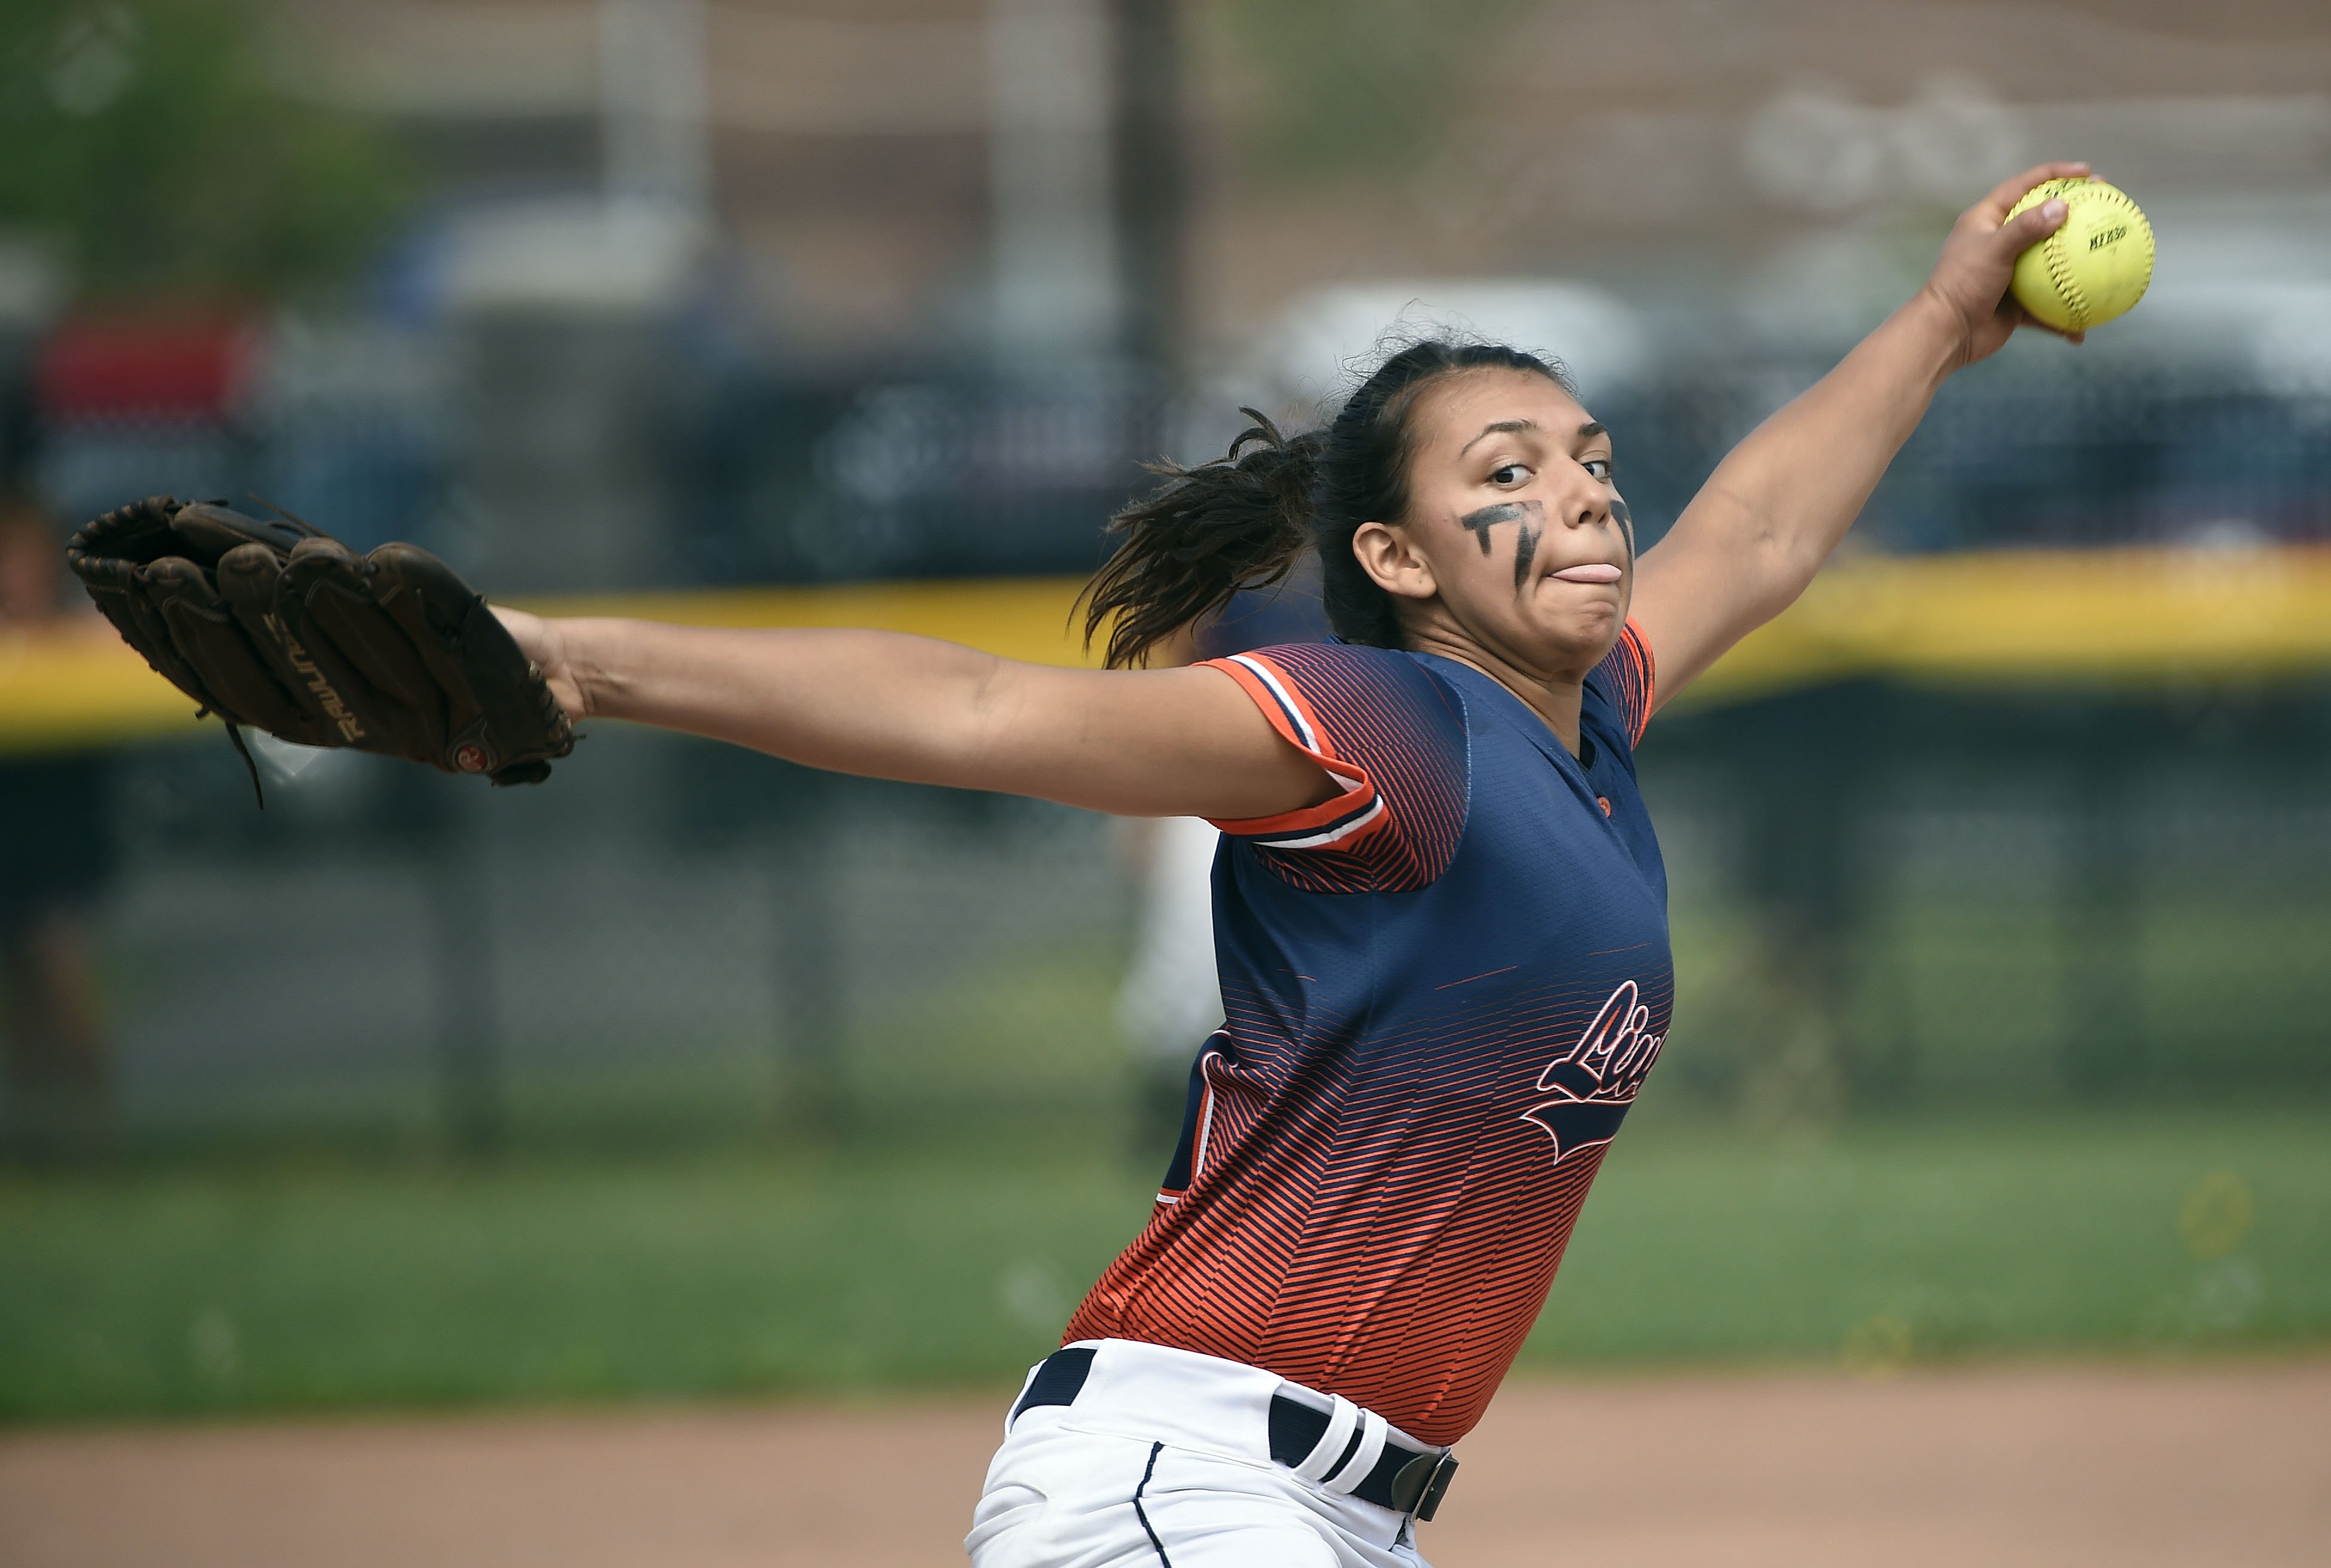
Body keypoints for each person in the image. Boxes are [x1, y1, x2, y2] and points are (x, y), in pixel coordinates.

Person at [492, 164, 2089, 1566]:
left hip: (1333, 1511)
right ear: (1395, 560)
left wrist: (1944, 318)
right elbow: (981, 706)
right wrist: (580, 661)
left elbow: (1753, 531)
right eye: (1506, 474)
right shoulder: (1385, 725)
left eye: (1588, 456)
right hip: (1184, 1480)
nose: (1584, 493)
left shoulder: (1583, 726)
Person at [0, 490, 117, 1162]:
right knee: (20, 993)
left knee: (60, 970)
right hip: (10, 832)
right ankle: (35, 1140)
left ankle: (95, 1133)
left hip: (64, 838)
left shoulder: (81, 631)